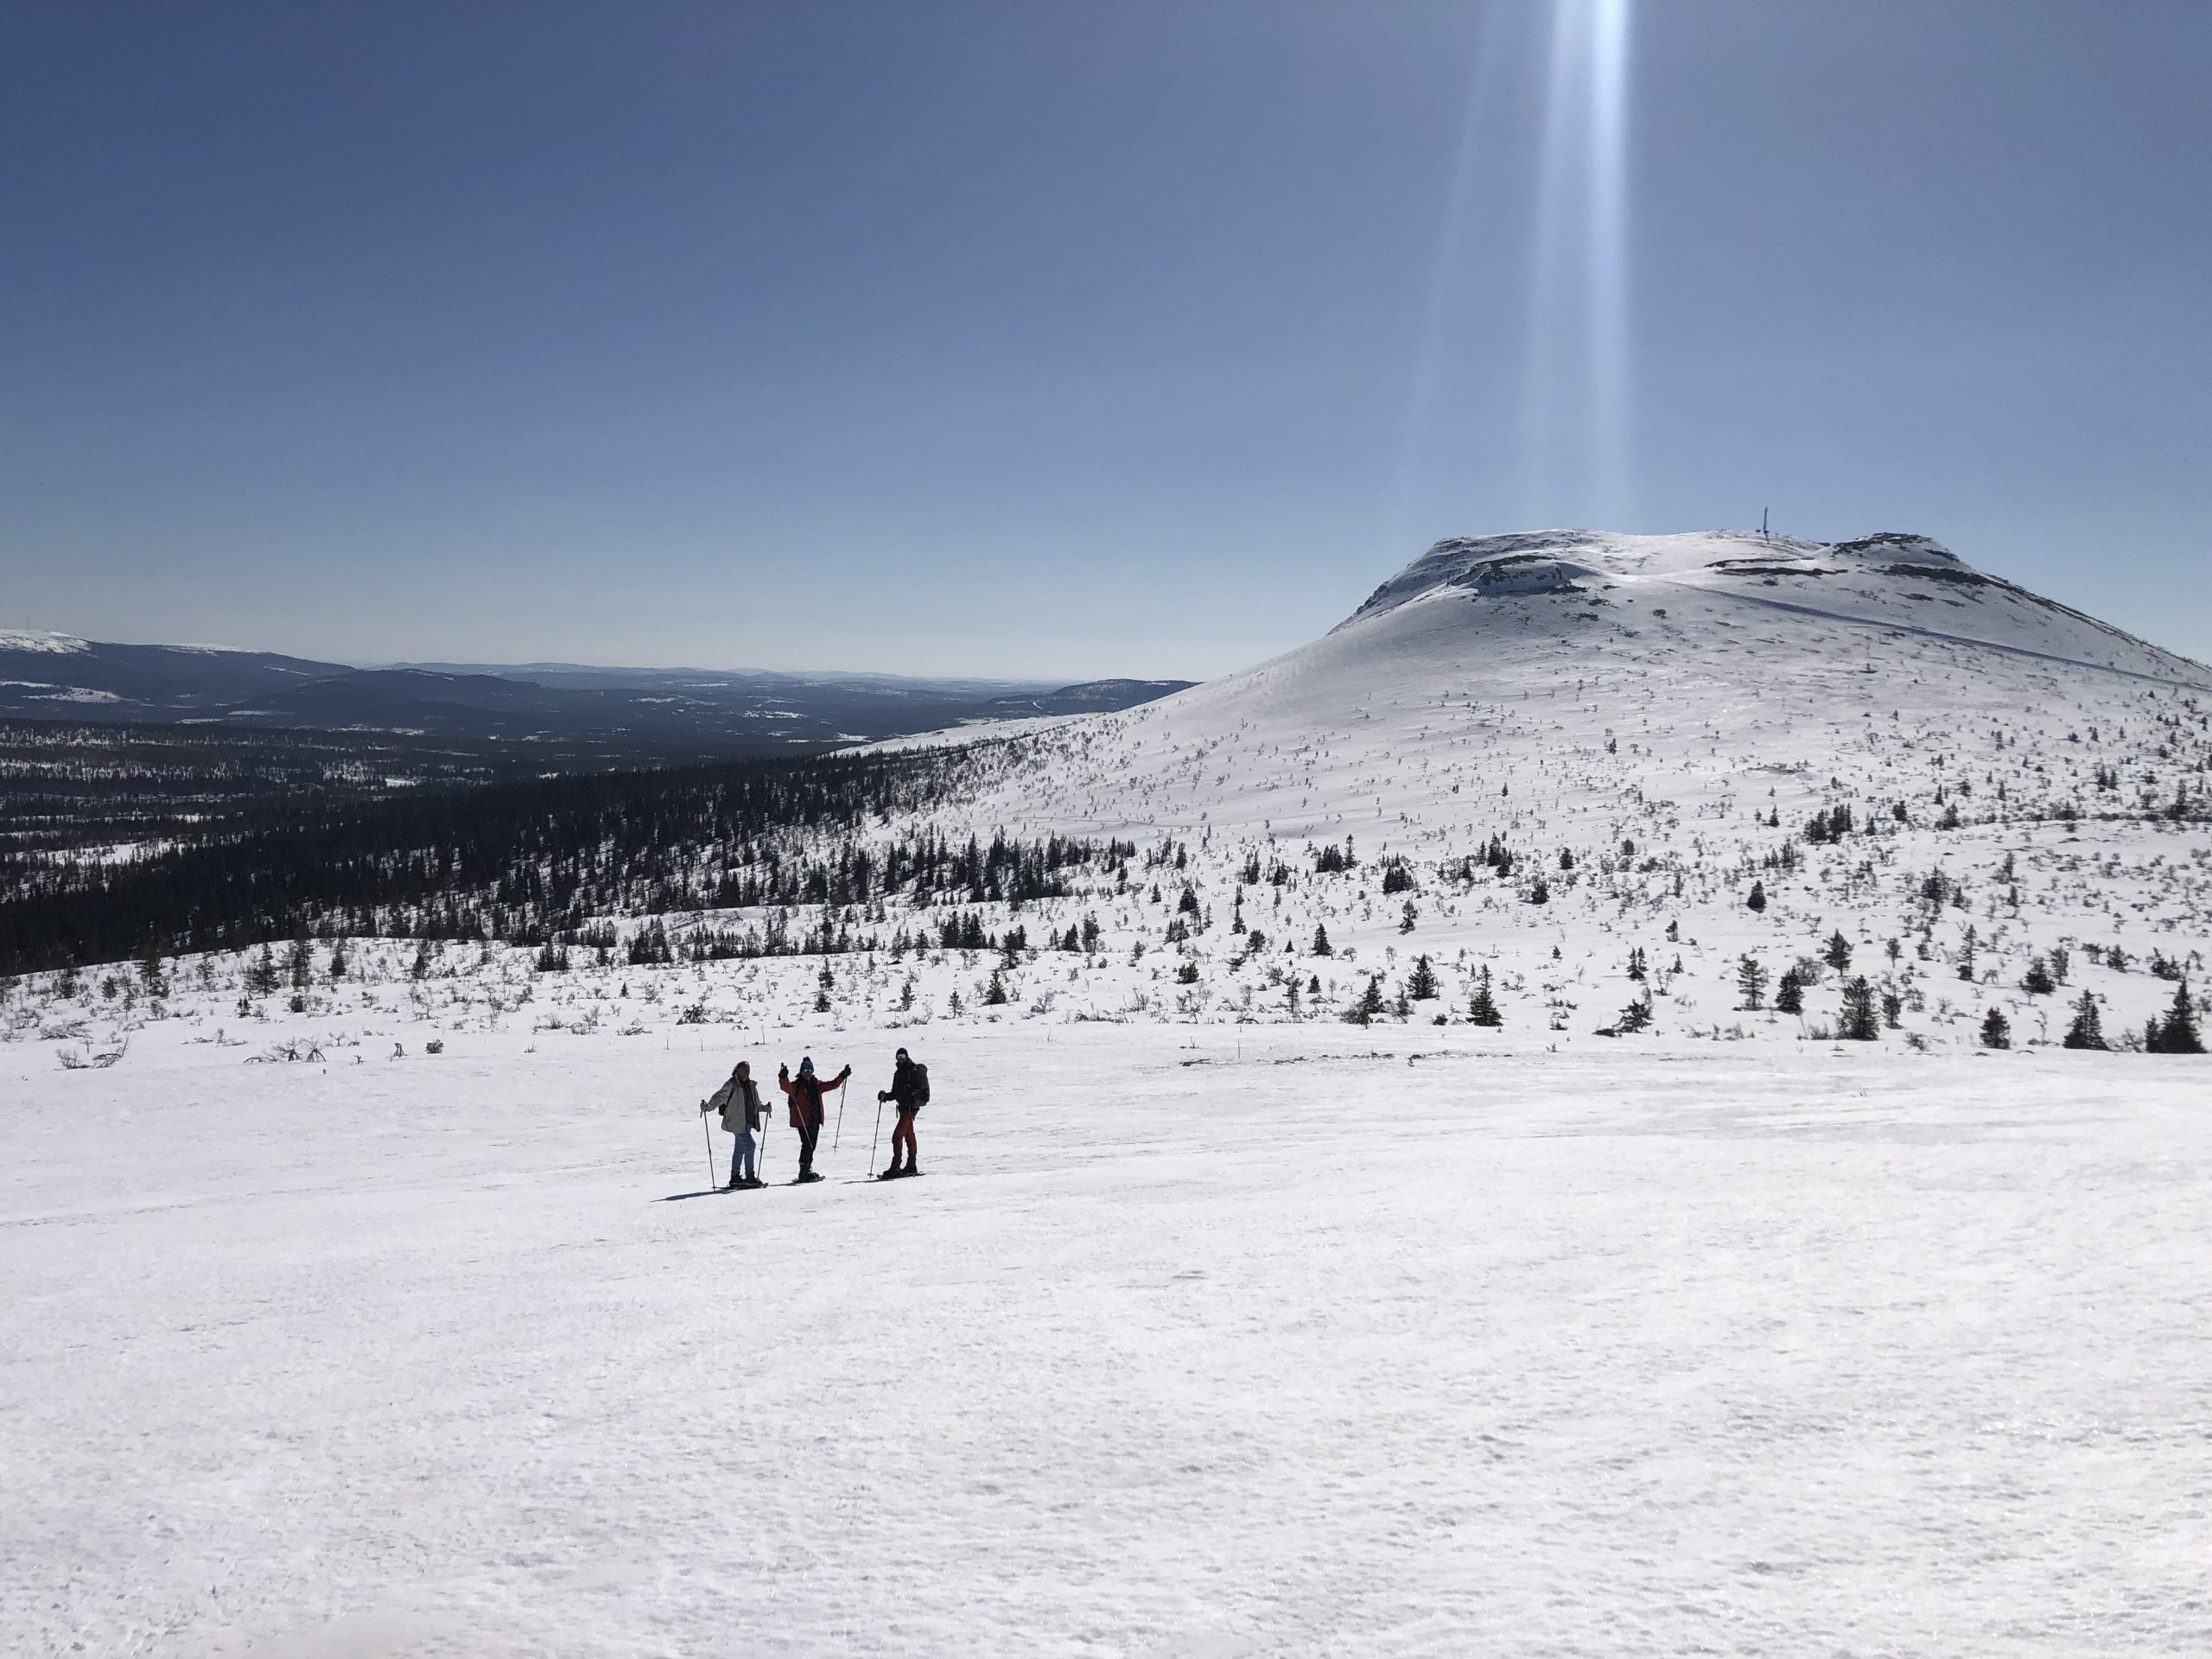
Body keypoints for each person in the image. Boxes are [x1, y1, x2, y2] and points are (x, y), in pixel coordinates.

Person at [777, 1055, 849, 1183]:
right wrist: (783, 1077)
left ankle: (807, 1169)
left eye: (810, 1070)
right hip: (802, 1121)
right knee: (807, 1145)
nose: (808, 1073)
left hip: (815, 1120)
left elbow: (833, 1084)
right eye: (805, 1071)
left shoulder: (817, 1085)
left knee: (812, 1146)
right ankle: (803, 1172)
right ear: (801, 1072)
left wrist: (842, 1075)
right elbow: (786, 1087)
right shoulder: (796, 1086)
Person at [701, 1060, 765, 1190]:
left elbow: (756, 1103)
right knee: (750, 1145)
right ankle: (749, 1177)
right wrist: (708, 1107)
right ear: (737, 1071)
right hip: (736, 1122)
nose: (747, 1071)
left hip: (747, 1122)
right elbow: (719, 1097)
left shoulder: (751, 1085)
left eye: (748, 1069)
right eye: (744, 1069)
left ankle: (735, 1178)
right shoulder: (732, 1084)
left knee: (740, 1149)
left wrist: (765, 1108)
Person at [875, 1046, 928, 1178]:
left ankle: (896, 1166)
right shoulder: (898, 1073)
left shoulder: (912, 1071)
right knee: (909, 1136)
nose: (901, 1060)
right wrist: (885, 1096)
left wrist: (913, 1092)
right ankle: (911, 1164)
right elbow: (896, 1093)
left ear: (907, 1057)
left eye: (903, 1057)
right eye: (899, 1057)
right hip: (904, 1109)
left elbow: (919, 1092)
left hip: (910, 1109)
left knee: (897, 1136)